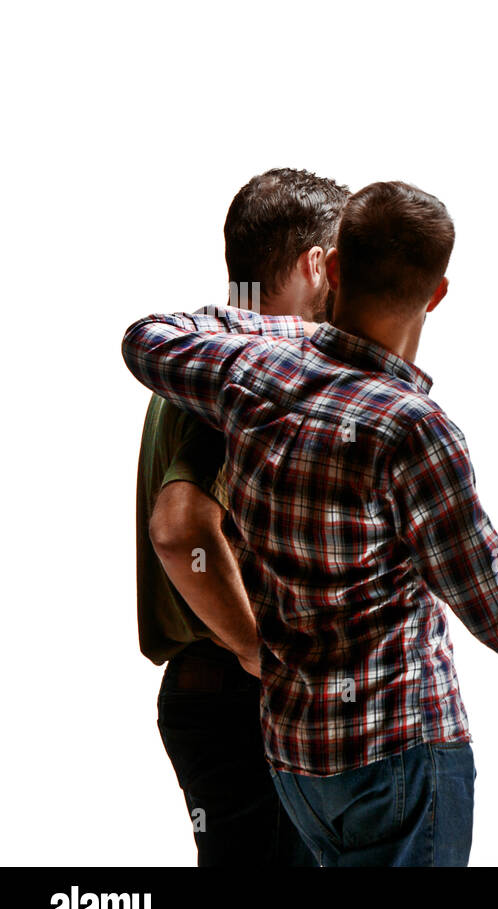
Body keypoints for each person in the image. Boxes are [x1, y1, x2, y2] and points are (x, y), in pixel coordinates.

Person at [122, 180, 498, 866]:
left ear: (332, 269)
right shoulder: (412, 430)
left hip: (298, 761)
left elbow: (146, 337)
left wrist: (288, 339)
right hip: (398, 757)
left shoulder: (252, 374)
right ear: (438, 293)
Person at [138, 167, 349, 866]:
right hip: (238, 700)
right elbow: (180, 530)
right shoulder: (247, 371)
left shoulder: (201, 361)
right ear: (318, 265)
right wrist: (256, 648)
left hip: (219, 697)